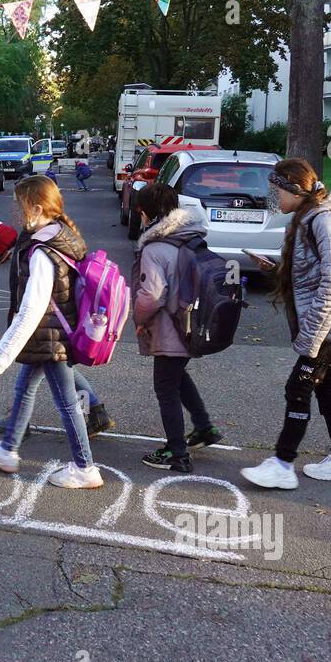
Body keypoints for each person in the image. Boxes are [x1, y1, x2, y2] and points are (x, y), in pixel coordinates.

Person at [241, 158, 331, 490]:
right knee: (327, 388)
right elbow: (312, 272)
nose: (273, 199)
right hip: (330, 321)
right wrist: (275, 268)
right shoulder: (306, 218)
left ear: (295, 190)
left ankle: (283, 464)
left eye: (276, 192)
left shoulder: (325, 222)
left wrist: (311, 339)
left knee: (298, 387)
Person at [0, 176, 103, 489]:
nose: (16, 212)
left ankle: (85, 468)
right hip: (50, 335)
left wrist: (3, 353)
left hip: (50, 337)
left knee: (67, 404)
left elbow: (33, 307)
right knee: (25, 388)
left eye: (20, 205)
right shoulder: (59, 233)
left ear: (36, 207)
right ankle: (7, 449)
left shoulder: (43, 250)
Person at [131, 184, 223, 472]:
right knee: (177, 376)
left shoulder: (156, 247)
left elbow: (151, 295)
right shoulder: (189, 237)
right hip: (192, 323)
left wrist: (138, 319)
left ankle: (177, 452)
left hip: (170, 327)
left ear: (144, 213)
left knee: (165, 387)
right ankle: (204, 427)